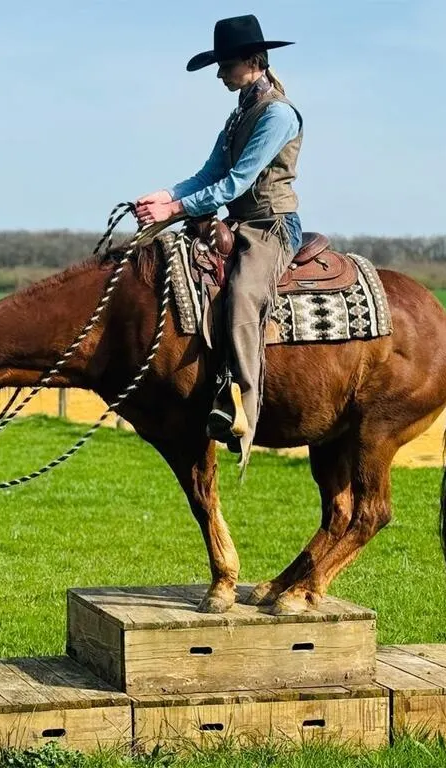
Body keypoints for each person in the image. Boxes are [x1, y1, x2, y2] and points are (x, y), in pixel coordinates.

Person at [134, 14, 303, 465]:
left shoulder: (278, 115)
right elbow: (209, 173)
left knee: (245, 294)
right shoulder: (239, 115)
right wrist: (166, 194)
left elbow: (236, 183)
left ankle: (243, 410)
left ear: (253, 61)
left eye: (227, 65)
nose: (220, 73)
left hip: (271, 227)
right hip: (240, 223)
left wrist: (174, 211)